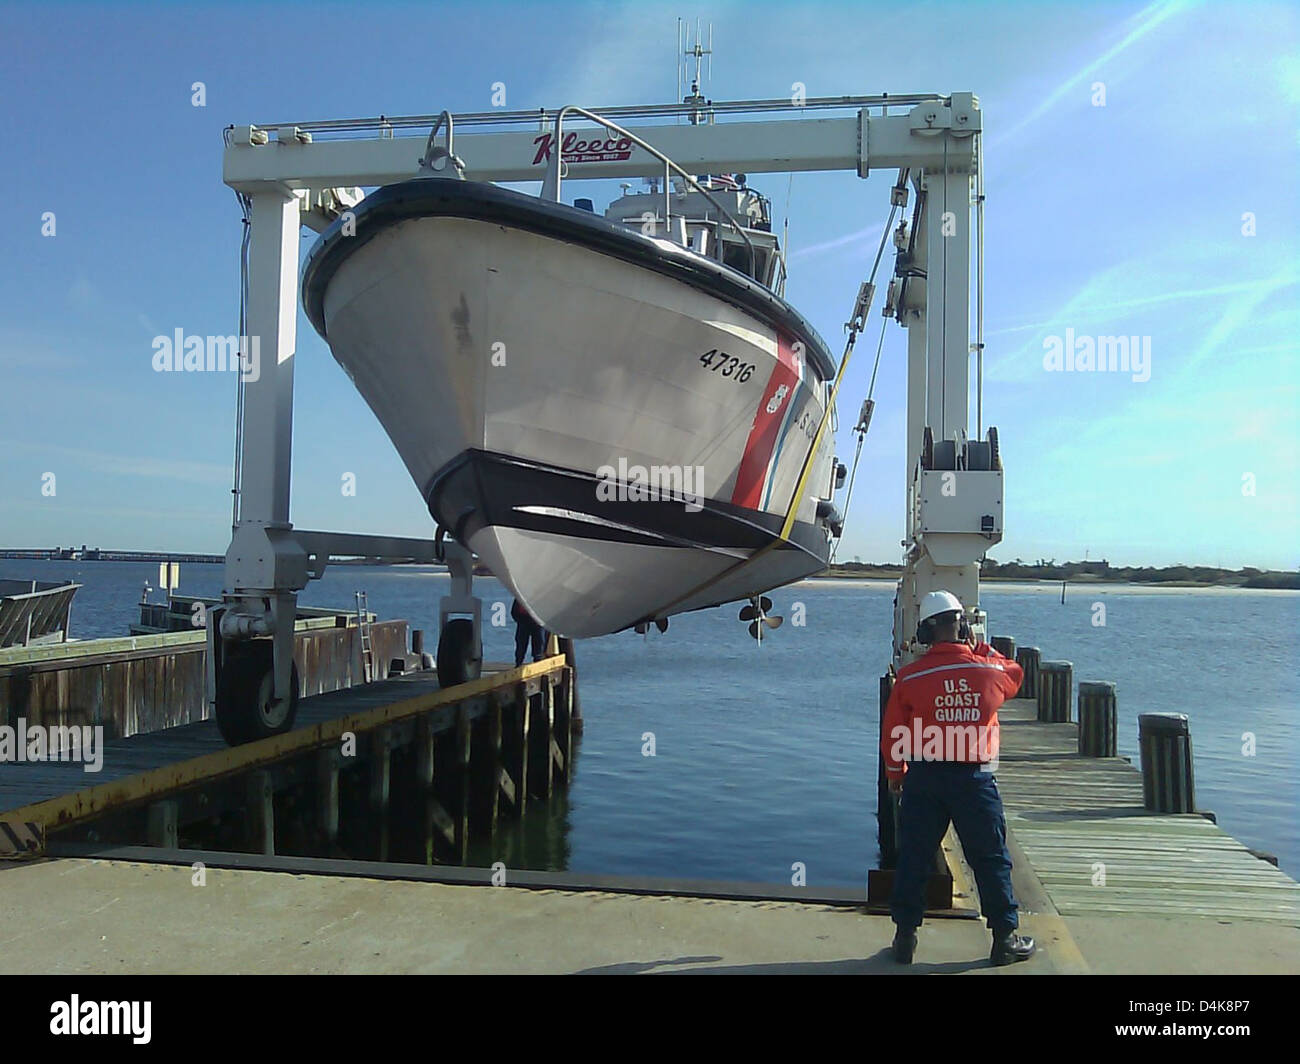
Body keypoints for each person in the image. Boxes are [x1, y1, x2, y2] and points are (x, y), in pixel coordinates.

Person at [881, 589, 1036, 967]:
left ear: (924, 634)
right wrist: (980, 648)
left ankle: (905, 938)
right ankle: (1003, 938)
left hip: (925, 778)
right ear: (963, 626)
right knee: (990, 858)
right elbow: (1015, 674)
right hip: (973, 780)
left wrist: (895, 773)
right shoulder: (990, 671)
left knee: (914, 857)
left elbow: (893, 733)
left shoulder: (910, 676)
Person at [511, 597, 547, 667]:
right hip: (523, 621)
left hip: (537, 622)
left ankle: (538, 661)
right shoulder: (520, 596)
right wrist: (520, 620)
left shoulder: (542, 596)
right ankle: (519, 662)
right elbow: (514, 612)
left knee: (539, 641)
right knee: (521, 644)